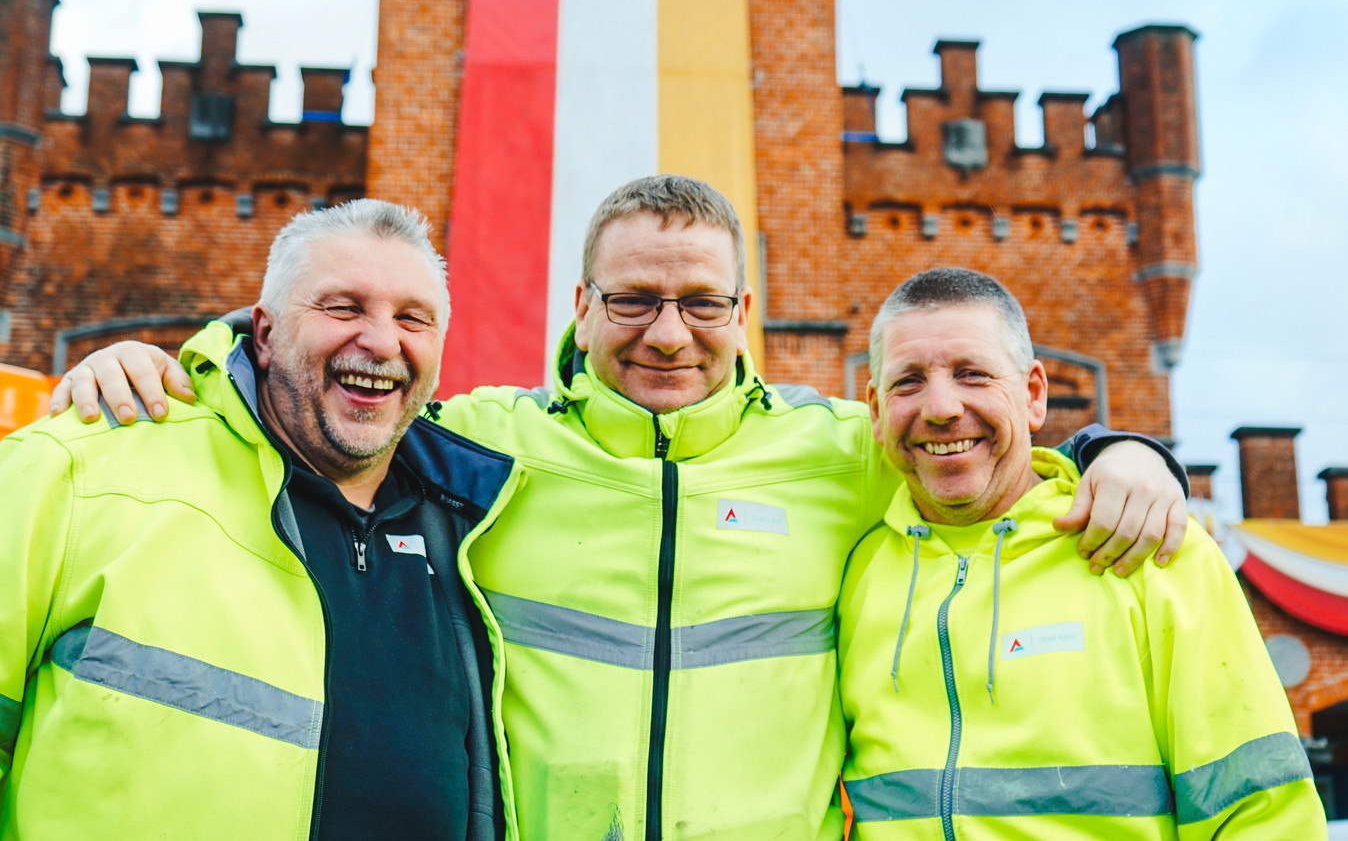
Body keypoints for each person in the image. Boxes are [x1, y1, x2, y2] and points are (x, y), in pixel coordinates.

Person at [54, 176, 1189, 840]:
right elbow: (325, 389)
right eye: (634, 300)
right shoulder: (484, 442)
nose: (665, 334)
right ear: (583, 305)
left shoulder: (840, 453)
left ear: (745, 309)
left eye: (699, 304)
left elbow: (975, 455)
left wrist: (1118, 450)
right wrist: (170, 360)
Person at [0, 200, 521, 839]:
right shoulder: (79, 469)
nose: (382, 341)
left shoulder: (473, 521)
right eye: (343, 308)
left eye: (413, 318)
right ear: (266, 334)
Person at [838, 266, 1324, 838]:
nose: (941, 407)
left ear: (1033, 395)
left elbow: (1262, 811)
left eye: (973, 374)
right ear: (873, 409)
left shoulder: (1153, 549)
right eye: (908, 382)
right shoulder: (853, 573)